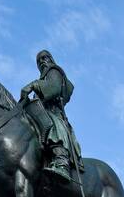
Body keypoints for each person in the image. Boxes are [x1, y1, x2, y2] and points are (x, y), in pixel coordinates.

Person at [19, 50, 83, 184]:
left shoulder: (54, 71)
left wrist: (32, 85)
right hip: (39, 112)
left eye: (44, 58)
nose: (42, 61)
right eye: (38, 61)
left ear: (51, 59)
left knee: (52, 124)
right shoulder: (43, 80)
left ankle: (62, 162)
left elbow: (53, 88)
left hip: (53, 114)